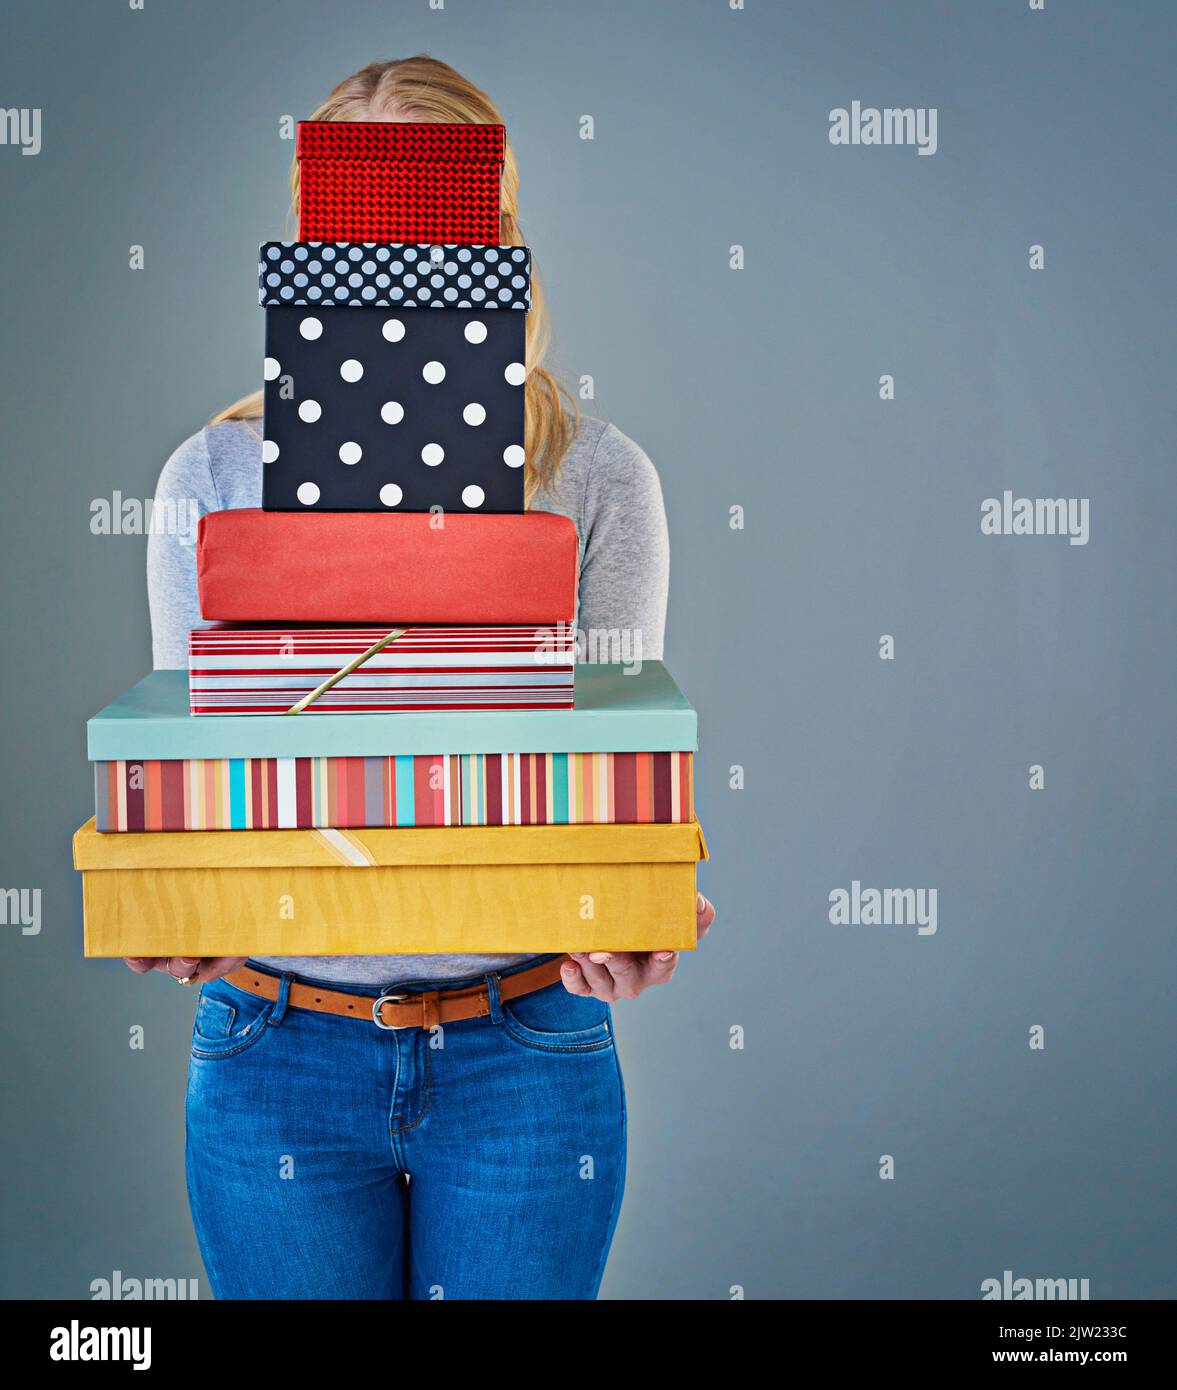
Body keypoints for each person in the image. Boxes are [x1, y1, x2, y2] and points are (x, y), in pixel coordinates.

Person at [129, 55, 716, 1301]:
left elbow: (609, 759)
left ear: (495, 237)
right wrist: (173, 904)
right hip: (273, 1042)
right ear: (307, 244)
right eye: (355, 215)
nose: (393, 247)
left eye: (429, 213)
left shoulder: (600, 477)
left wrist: (635, 909)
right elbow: (206, 769)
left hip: (524, 1048)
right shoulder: (209, 480)